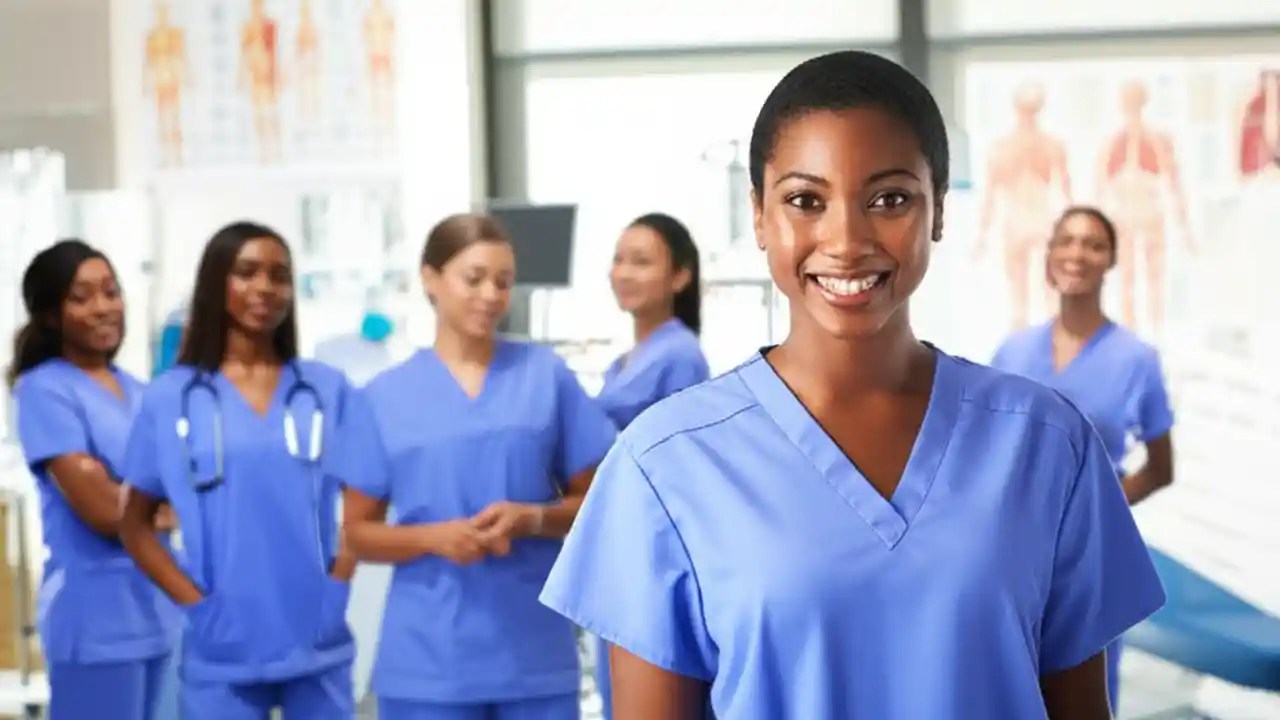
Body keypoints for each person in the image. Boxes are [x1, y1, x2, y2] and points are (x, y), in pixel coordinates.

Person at [539, 50, 1166, 720]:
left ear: (939, 213)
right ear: (759, 215)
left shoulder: (1047, 446)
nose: (845, 239)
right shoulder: (663, 463)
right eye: (805, 200)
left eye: (890, 198)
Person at [340, 213, 617, 720]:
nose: (491, 294)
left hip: (533, 657)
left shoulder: (544, 376)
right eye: (475, 278)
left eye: (503, 282)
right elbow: (357, 534)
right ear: (430, 278)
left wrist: (532, 518)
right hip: (427, 665)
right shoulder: (384, 397)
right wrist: (435, 538)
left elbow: (601, 504)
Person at [118, 222, 360, 719]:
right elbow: (134, 523)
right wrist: (197, 606)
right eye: (247, 273)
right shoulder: (170, 399)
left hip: (317, 637)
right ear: (214, 284)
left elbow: (368, 501)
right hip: (221, 645)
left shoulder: (326, 390)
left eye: (279, 275)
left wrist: (337, 586)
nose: (265, 288)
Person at [990, 205, 1176, 713]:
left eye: (1093, 244)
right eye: (1067, 241)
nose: (1078, 253)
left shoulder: (1136, 360)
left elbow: (1162, 467)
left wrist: (1095, 514)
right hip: (1013, 551)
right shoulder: (1013, 353)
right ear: (1049, 255)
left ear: (1111, 260)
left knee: (1084, 695)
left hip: (1088, 558)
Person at [9, 240, 179, 720]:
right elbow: (105, 511)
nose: (103, 307)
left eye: (110, 291)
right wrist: (162, 508)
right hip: (97, 624)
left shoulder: (139, 392)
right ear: (49, 315)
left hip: (161, 615)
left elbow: (185, 494)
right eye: (81, 297)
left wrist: (146, 506)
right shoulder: (45, 390)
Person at [592, 212, 710, 717]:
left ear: (679, 277)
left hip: (654, 546)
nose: (624, 272)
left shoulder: (680, 355)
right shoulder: (624, 362)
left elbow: (682, 469)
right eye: (619, 259)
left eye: (641, 262)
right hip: (619, 542)